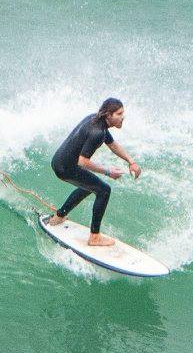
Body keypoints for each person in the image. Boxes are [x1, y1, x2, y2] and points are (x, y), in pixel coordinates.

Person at [46, 98, 141, 246]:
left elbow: (113, 145)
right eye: (119, 113)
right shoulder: (98, 132)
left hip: (58, 161)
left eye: (123, 113)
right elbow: (83, 161)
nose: (123, 116)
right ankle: (94, 237)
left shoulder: (96, 120)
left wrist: (132, 162)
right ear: (108, 115)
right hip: (66, 168)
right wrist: (108, 171)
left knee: (91, 186)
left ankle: (59, 216)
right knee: (104, 190)